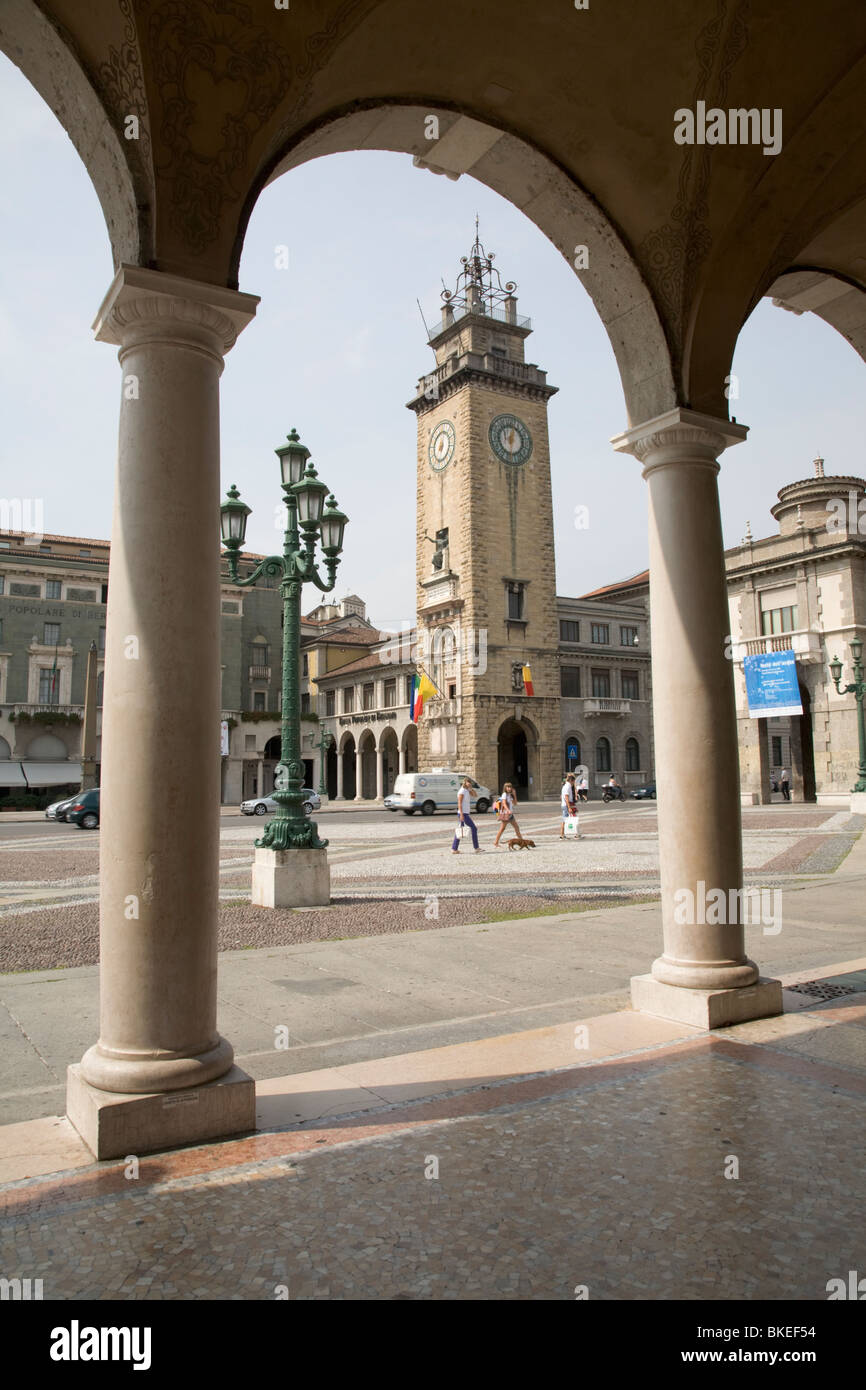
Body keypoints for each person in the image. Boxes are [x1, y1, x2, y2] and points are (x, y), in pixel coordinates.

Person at [452, 778, 482, 853]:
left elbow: (475, 795)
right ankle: (476, 847)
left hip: (465, 813)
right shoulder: (461, 791)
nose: (469, 783)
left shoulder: (467, 790)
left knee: (460, 830)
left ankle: (454, 849)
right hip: (463, 814)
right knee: (474, 828)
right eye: (468, 782)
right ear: (464, 782)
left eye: (470, 782)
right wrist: (461, 814)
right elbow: (459, 803)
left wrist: (471, 789)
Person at [493, 780, 522, 847]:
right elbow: (504, 803)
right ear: (505, 788)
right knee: (502, 828)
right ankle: (496, 842)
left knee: (516, 827)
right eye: (508, 787)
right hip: (506, 814)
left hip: (510, 815)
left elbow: (515, 803)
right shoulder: (504, 794)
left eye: (510, 787)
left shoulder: (510, 795)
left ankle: (521, 841)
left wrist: (514, 795)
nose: (509, 788)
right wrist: (508, 810)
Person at [560, 772, 578, 839]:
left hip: (565, 805)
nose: (574, 783)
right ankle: (562, 835)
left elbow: (562, 797)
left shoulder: (566, 786)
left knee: (567, 819)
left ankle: (563, 834)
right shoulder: (567, 786)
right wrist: (569, 807)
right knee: (568, 819)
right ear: (571, 780)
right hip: (567, 805)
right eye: (573, 782)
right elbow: (566, 797)